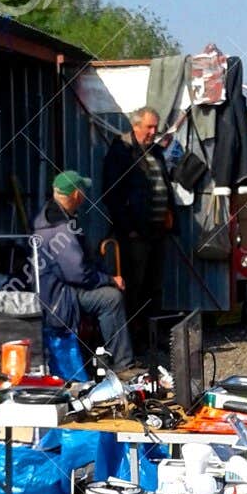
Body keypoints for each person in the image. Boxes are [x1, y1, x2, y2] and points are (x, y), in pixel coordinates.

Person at [33, 171, 133, 369]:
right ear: (77, 195)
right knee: (111, 298)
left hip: (54, 288)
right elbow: (77, 274)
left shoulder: (50, 216)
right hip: (60, 296)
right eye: (83, 191)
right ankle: (123, 365)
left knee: (107, 289)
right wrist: (110, 279)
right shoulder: (60, 228)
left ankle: (103, 355)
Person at [100, 106, 171, 345]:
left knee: (154, 285)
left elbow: (162, 184)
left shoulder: (155, 152)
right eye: (149, 127)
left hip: (157, 230)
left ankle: (153, 336)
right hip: (135, 233)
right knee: (135, 286)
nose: (153, 132)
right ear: (136, 126)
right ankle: (133, 338)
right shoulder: (121, 152)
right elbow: (111, 194)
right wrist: (128, 227)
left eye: (155, 127)